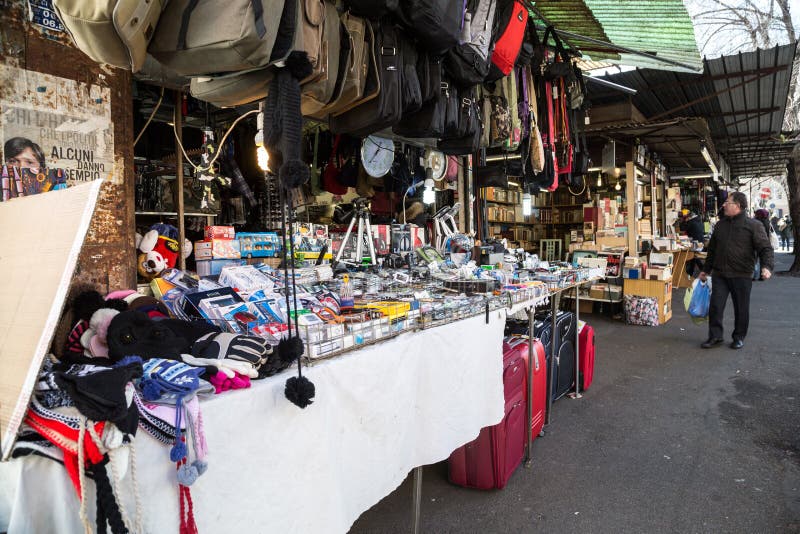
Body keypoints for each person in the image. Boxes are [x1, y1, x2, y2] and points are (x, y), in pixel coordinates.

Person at [699, 192, 773, 350]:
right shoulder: (720, 225)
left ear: (738, 206)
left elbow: (765, 248)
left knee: (741, 308)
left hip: (742, 274)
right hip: (720, 274)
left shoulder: (753, 225)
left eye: (727, 202)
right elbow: (712, 250)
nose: (724, 205)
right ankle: (715, 336)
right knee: (716, 306)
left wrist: (767, 267)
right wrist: (706, 270)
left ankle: (739, 337)